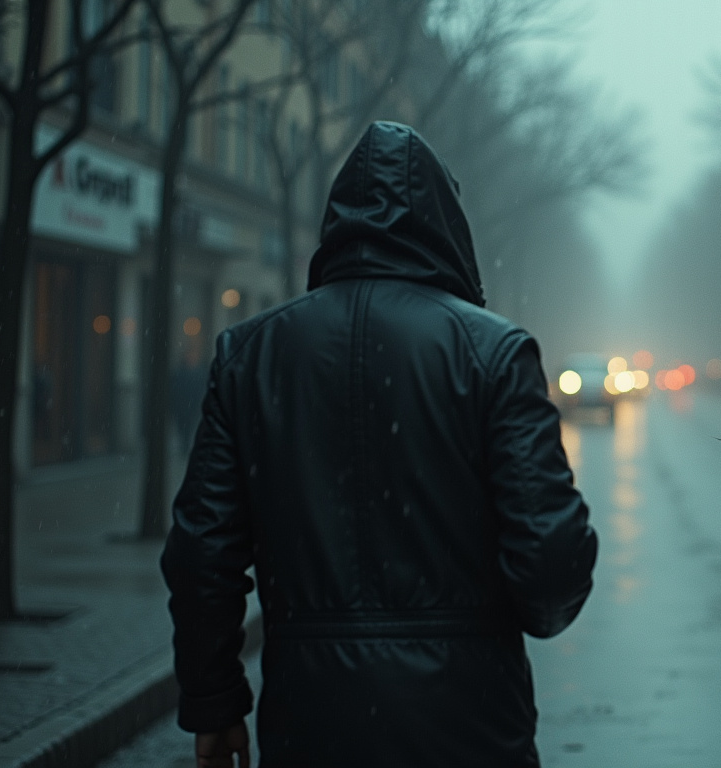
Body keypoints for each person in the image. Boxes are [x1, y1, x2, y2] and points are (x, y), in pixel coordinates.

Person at [161, 121, 598, 768]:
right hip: (467, 722)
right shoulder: (493, 353)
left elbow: (201, 553)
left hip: (311, 722)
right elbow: (553, 565)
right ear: (447, 223)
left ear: (336, 221)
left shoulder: (251, 357)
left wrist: (215, 701)